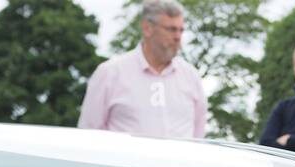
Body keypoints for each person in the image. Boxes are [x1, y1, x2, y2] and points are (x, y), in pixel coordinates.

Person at [78, 0, 206, 139]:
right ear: (147, 28)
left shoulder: (191, 76)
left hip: (182, 161)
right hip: (122, 161)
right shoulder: (110, 73)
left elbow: (199, 136)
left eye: (181, 30)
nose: (177, 37)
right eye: (171, 29)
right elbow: (88, 136)